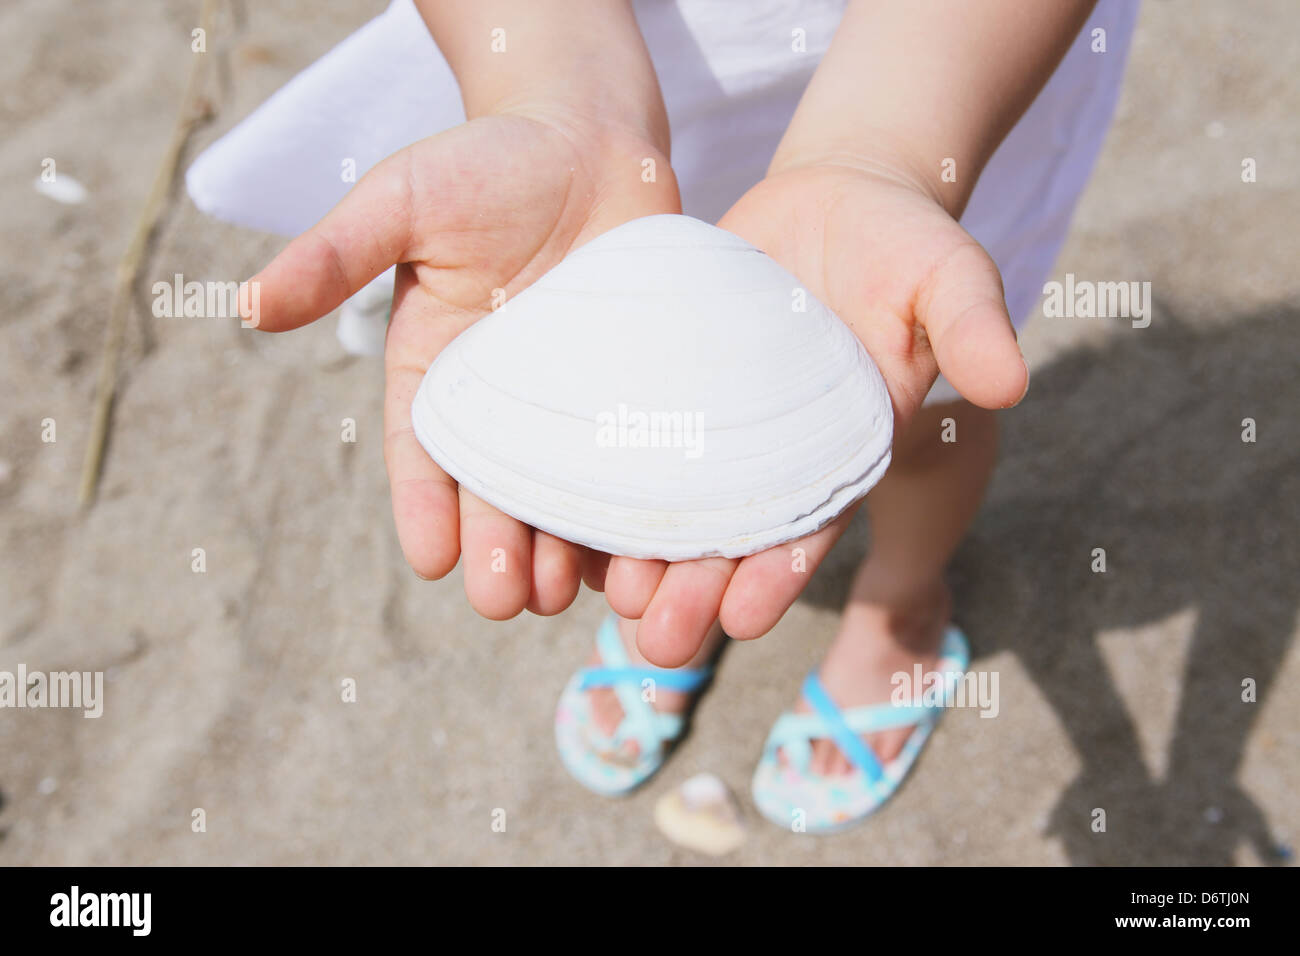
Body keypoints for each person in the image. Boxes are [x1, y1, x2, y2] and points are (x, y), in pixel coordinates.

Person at [204, 0, 1136, 832]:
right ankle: (690, 528)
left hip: (956, 76)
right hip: (614, 73)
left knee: (919, 395)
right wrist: (548, 89)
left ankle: (902, 603)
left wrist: (881, 155)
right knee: (644, 419)